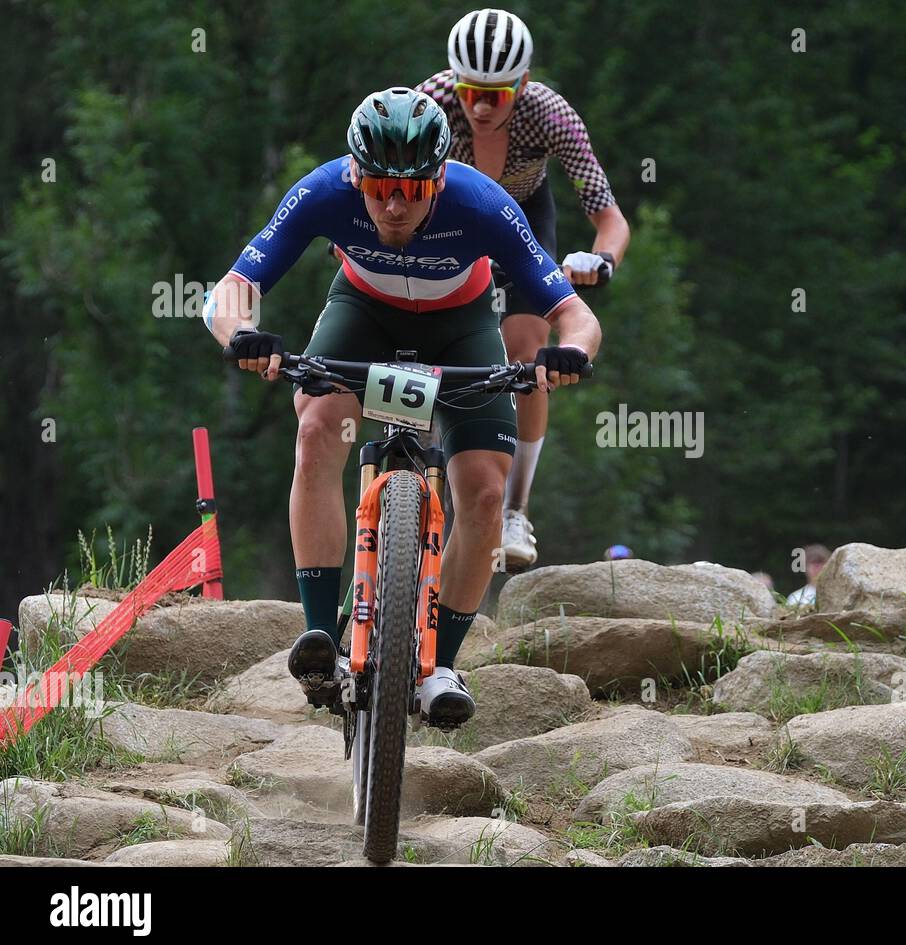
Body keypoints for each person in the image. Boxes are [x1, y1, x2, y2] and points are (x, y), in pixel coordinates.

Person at [203, 87, 601, 728]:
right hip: (362, 313)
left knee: (483, 494)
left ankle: (440, 663)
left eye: (412, 192)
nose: (393, 205)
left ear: (439, 180)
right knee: (316, 429)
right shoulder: (322, 191)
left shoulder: (483, 203)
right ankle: (320, 637)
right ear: (354, 174)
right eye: (379, 188)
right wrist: (241, 334)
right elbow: (233, 287)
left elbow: (574, 315)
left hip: (463, 326)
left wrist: (570, 353)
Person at [418, 8, 629, 572]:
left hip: (521, 221)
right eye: (472, 92)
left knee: (529, 354)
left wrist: (599, 260)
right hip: (447, 216)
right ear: (453, 79)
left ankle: (516, 509)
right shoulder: (429, 104)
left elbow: (611, 219)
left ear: (524, 86)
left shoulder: (551, 115)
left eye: (498, 95)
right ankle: (415, 473)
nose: (482, 107)